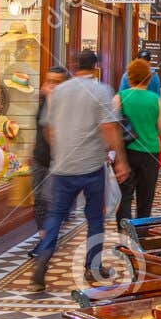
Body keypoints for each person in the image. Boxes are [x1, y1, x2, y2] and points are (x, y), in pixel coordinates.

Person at [32, 49, 130, 291]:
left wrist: (61, 150)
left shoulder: (60, 91)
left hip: (63, 166)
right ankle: (93, 268)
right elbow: (108, 127)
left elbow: (48, 127)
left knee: (55, 215)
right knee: (95, 218)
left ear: (75, 67)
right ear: (95, 68)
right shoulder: (101, 90)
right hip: (91, 166)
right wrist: (120, 160)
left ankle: (43, 261)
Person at [115, 58, 161, 221]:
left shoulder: (120, 97)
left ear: (129, 77)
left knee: (125, 195)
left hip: (126, 153)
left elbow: (112, 127)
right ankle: (142, 232)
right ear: (148, 78)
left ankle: (124, 233)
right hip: (150, 153)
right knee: (145, 199)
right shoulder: (155, 100)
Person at [32, 65, 69, 240]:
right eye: (49, 81)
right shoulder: (42, 100)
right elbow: (39, 128)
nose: (52, 85)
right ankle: (43, 237)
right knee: (39, 198)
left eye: (57, 82)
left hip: (59, 160)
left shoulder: (68, 104)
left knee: (53, 200)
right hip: (40, 157)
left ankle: (48, 238)